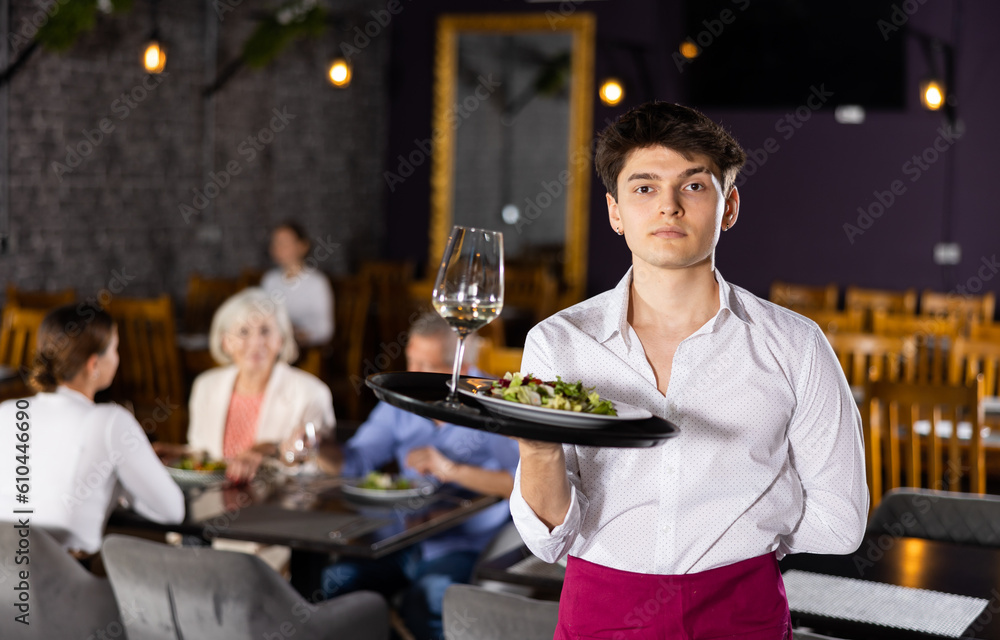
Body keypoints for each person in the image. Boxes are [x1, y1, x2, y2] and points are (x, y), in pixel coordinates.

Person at [510, 101, 868, 638]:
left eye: (695, 186)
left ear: (730, 207)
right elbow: (548, 539)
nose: (669, 207)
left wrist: (742, 530)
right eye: (644, 188)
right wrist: (537, 447)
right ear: (614, 211)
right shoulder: (558, 344)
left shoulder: (796, 345)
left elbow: (840, 523)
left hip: (742, 614)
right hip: (600, 615)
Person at [320, 312, 519, 640]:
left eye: (427, 366)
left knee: (427, 600)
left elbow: (521, 485)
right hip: (401, 538)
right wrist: (319, 446)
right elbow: (355, 463)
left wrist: (449, 469)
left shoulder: (495, 401)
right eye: (412, 360)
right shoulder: (401, 399)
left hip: (465, 545)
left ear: (462, 370)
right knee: (337, 581)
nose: (413, 374)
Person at [0, 304, 184, 558]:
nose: (118, 358)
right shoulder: (110, 421)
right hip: (60, 582)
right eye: (116, 349)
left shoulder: (6, 411)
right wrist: (122, 482)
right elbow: (172, 510)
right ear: (94, 363)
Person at [187, 288, 335, 483]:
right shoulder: (205, 386)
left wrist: (270, 451)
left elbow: (317, 468)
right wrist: (175, 455)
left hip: (277, 505)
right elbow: (201, 454)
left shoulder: (312, 393)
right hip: (212, 503)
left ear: (281, 340)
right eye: (243, 332)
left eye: (265, 331)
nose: (256, 342)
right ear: (226, 342)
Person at [261, 221, 335, 347]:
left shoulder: (317, 282)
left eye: (284, 243)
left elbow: (325, 330)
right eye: (275, 243)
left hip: (306, 350)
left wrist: (299, 334)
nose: (278, 248)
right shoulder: (270, 279)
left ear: (302, 246)